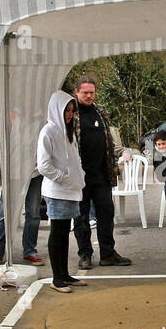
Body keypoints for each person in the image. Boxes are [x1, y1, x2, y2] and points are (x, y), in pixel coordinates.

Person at [71, 76, 132, 269]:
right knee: (81, 218)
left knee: (106, 214)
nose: (89, 96)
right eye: (85, 93)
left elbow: (109, 142)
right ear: (76, 92)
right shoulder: (71, 114)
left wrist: (121, 153)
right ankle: (85, 254)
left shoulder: (101, 111)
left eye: (92, 92)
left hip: (102, 174)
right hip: (79, 177)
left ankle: (108, 253)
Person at [37, 90, 86, 292]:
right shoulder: (48, 131)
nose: (69, 115)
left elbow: (73, 159)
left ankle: (64, 274)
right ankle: (57, 278)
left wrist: (78, 176)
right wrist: (64, 178)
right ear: (57, 110)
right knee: (58, 232)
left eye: (71, 111)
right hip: (57, 191)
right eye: (66, 111)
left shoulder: (68, 131)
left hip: (70, 189)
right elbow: (43, 165)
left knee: (65, 232)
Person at [0, 129, 45, 266]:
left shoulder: (36, 116)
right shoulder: (7, 116)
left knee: (33, 213)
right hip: (12, 172)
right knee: (3, 213)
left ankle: (30, 251)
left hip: (34, 172)